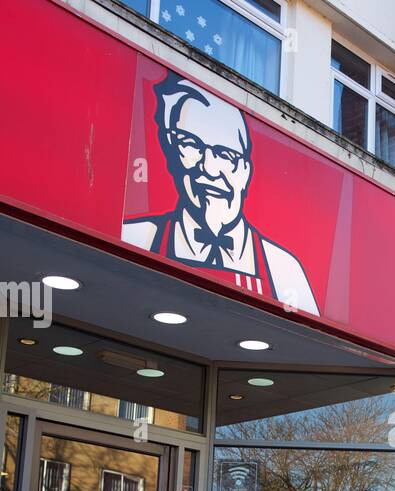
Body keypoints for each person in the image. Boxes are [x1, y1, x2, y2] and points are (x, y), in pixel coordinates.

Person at [122, 71, 318, 315]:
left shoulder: (285, 272)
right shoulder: (136, 237)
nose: (210, 168)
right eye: (191, 145)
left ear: (245, 171)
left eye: (226, 154)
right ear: (172, 154)